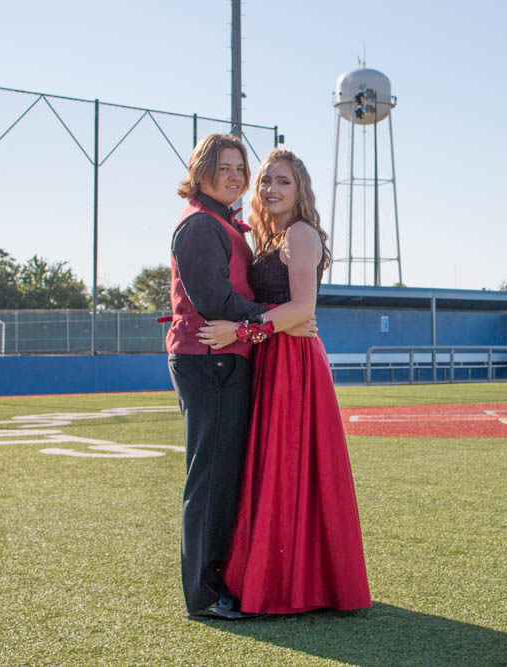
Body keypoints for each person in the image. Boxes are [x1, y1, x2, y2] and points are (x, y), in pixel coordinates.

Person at [198, 149, 371, 615]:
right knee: (273, 466)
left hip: (294, 361)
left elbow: (302, 311)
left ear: (300, 192)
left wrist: (239, 330)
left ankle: (293, 586)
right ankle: (273, 577)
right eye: (267, 181)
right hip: (272, 355)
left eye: (284, 182)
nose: (271, 188)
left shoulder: (300, 233)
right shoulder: (268, 237)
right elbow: (287, 313)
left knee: (290, 466)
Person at [166, 134, 315, 620]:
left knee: (226, 475)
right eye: (223, 166)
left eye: (239, 168)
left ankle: (223, 581)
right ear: (201, 169)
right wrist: (275, 316)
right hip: (210, 358)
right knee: (210, 478)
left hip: (230, 356)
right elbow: (215, 301)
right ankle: (205, 595)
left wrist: (268, 322)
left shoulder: (228, 225)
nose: (234, 175)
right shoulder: (199, 226)